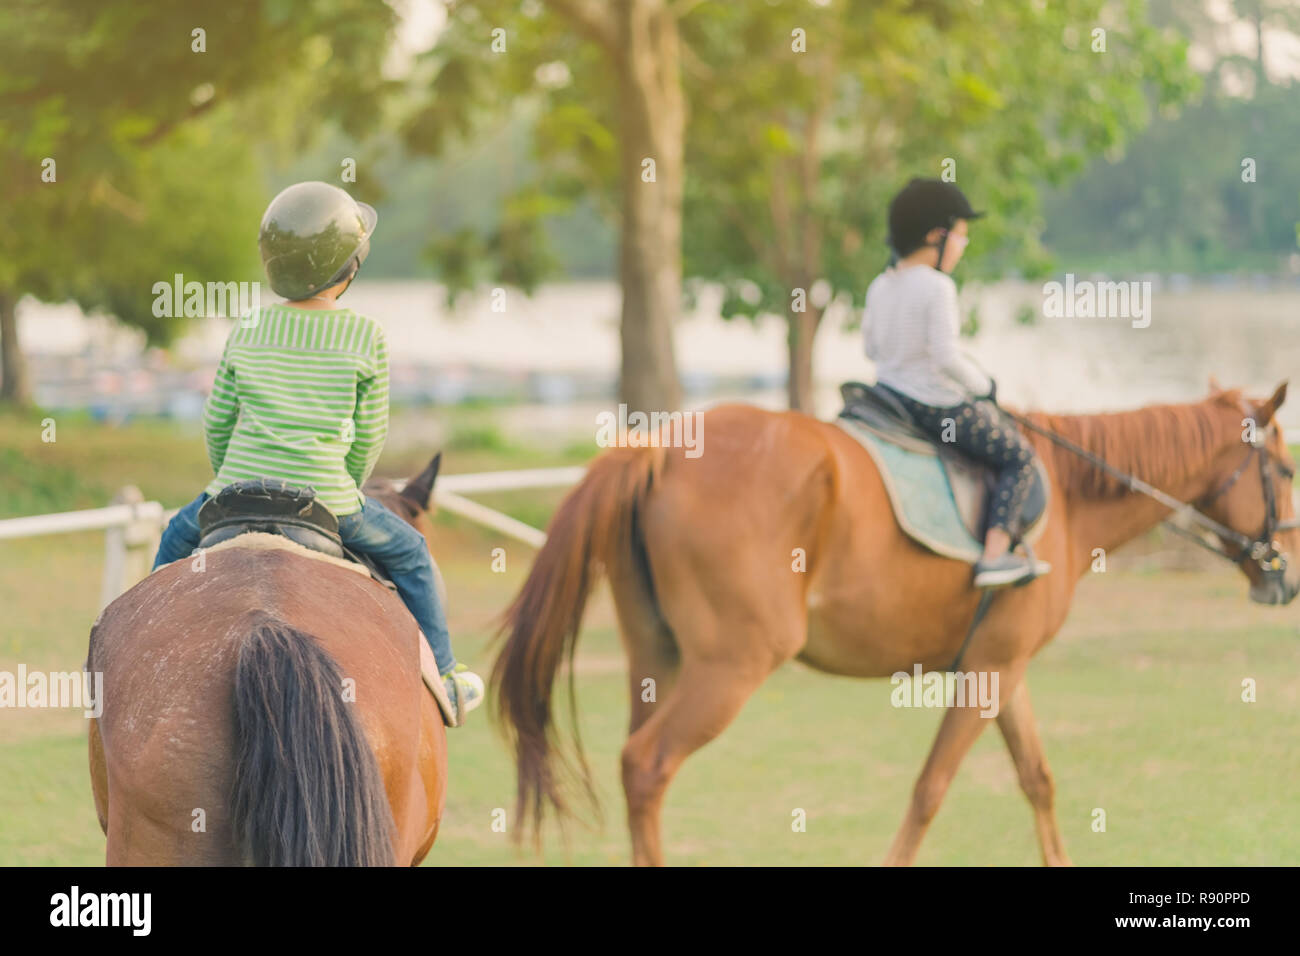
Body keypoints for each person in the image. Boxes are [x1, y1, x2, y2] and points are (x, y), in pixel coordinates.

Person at [152, 181, 484, 722]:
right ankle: (447, 677)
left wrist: (232, 478)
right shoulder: (366, 335)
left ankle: (154, 657)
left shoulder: (250, 325)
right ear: (350, 267)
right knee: (414, 557)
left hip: (232, 494)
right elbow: (370, 436)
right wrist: (344, 484)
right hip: (328, 501)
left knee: (170, 545)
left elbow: (217, 423)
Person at [863, 177, 1050, 588]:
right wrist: (984, 385)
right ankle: (995, 557)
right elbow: (946, 358)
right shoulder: (938, 287)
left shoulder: (880, 285)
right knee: (1018, 456)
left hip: (887, 397)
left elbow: (871, 348)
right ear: (936, 235)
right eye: (962, 237)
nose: (964, 247)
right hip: (933, 404)